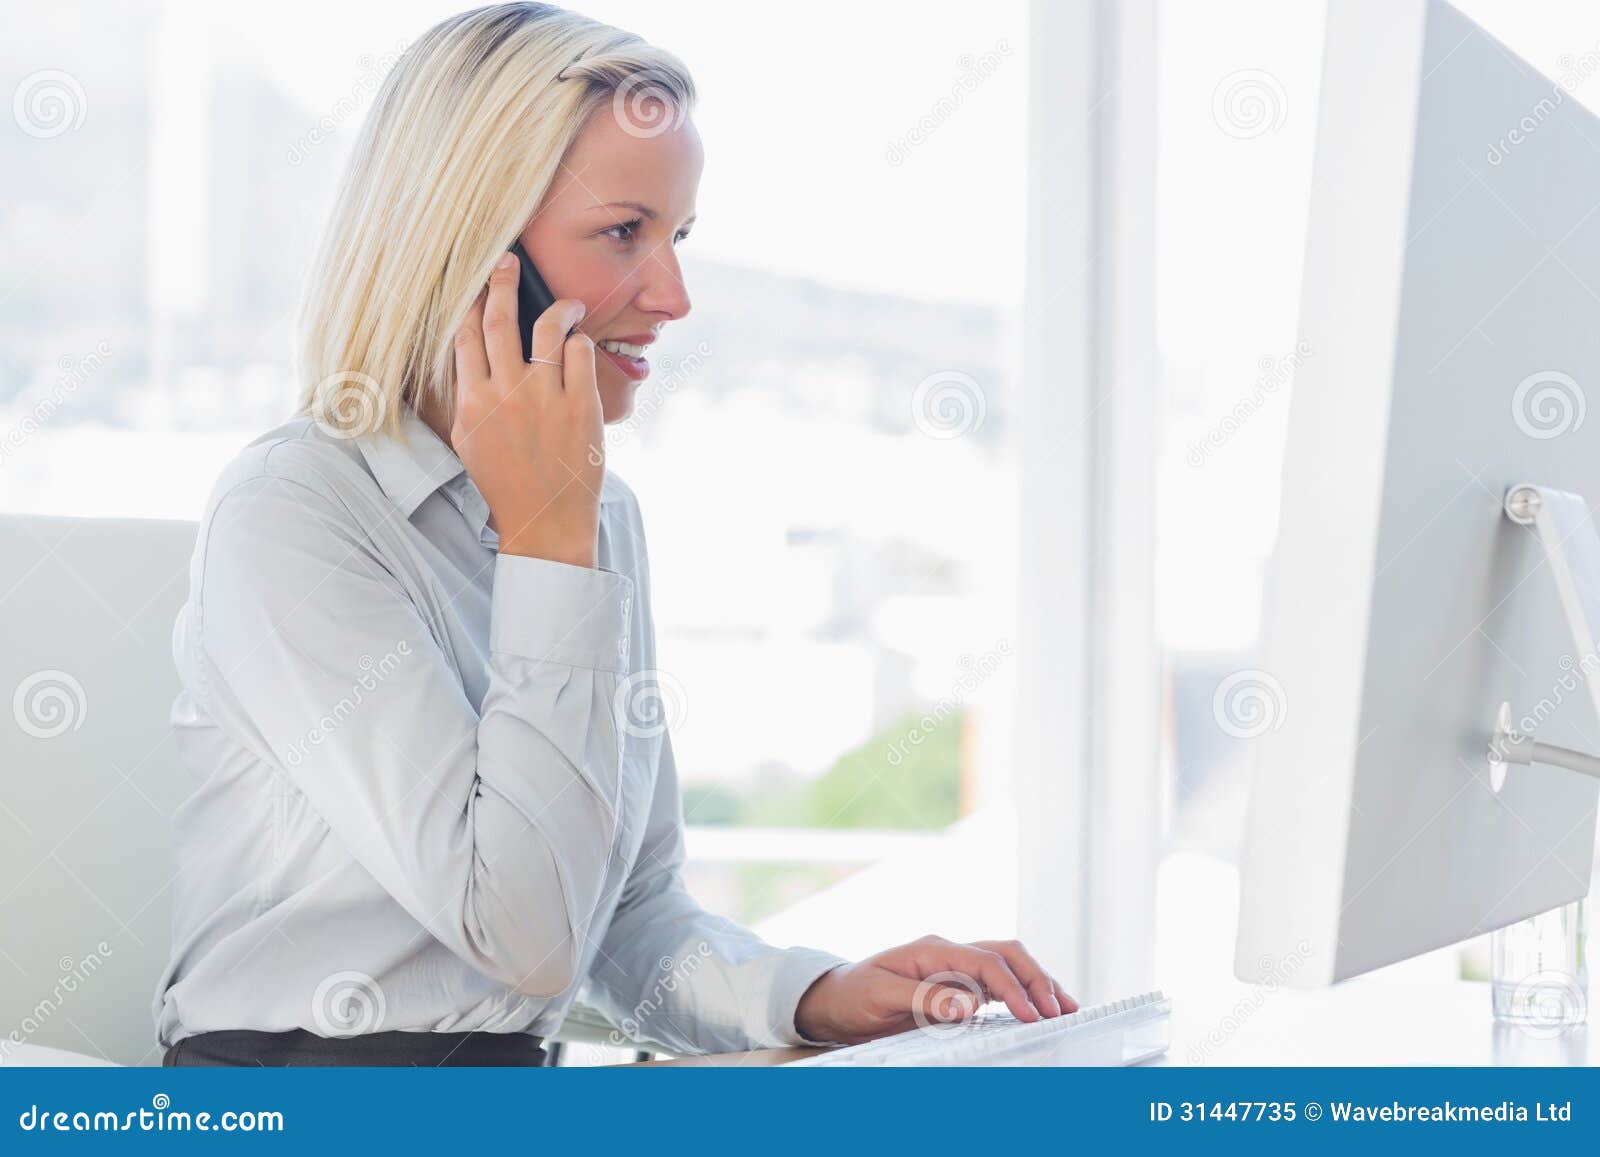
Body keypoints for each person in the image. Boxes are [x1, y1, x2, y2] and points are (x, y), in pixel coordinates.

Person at [153, 1, 1075, 1067]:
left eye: (677, 237)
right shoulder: (296, 510)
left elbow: (625, 912)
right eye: (623, 233)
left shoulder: (598, 514)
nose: (672, 295)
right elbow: (525, 934)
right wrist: (550, 547)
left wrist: (817, 994)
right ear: (476, 253)